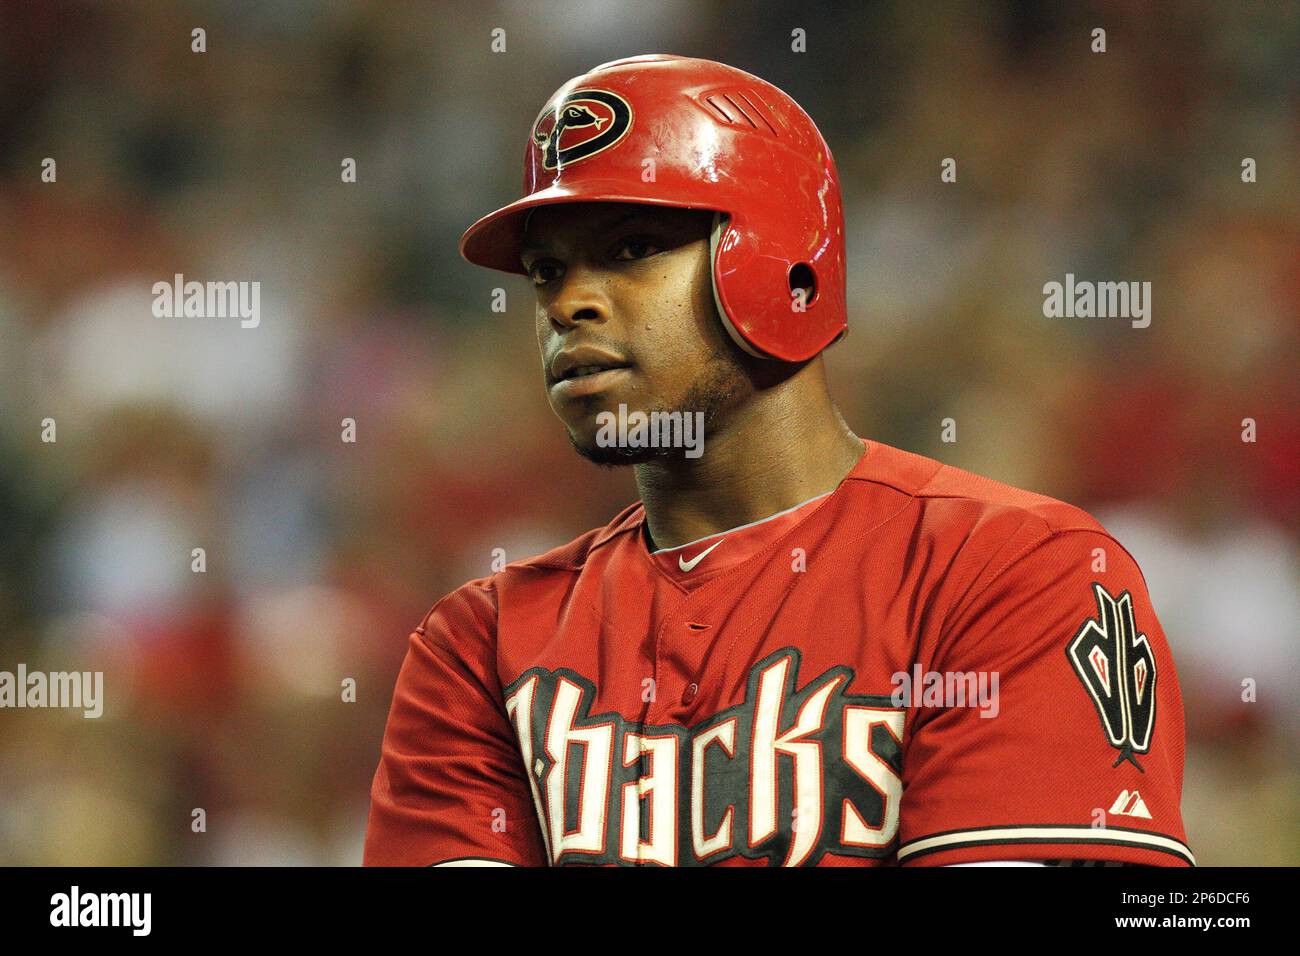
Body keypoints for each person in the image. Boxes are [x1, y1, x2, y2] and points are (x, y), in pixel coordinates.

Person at [363, 55, 1192, 867]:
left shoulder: (1014, 572)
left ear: (786, 267)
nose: (567, 303)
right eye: (548, 271)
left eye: (632, 248)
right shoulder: (480, 645)